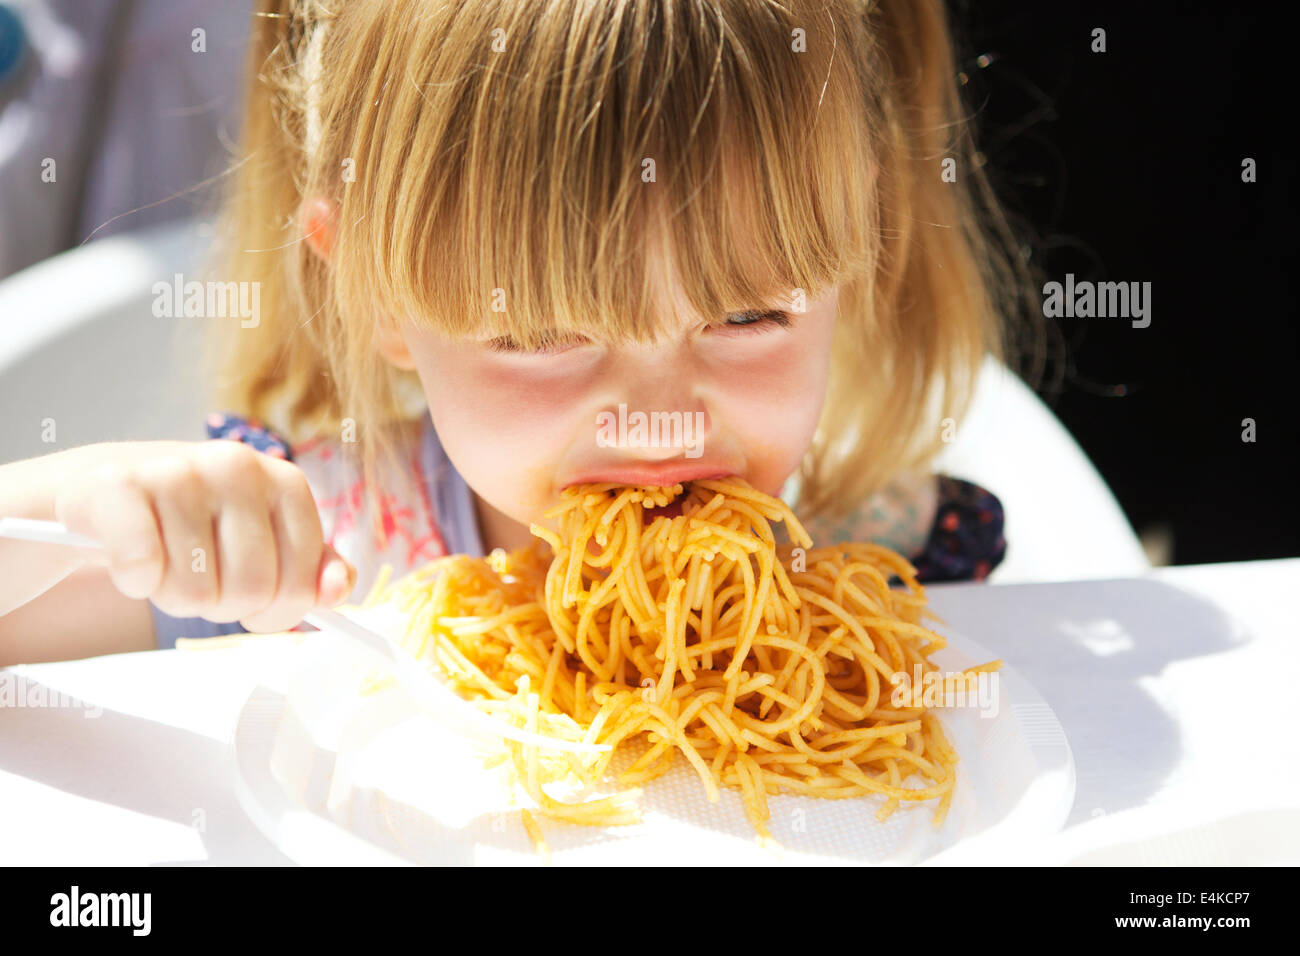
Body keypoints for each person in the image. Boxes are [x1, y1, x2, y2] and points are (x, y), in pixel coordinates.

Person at [0, 0, 1034, 665]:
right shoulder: (310, 556)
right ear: (380, 294)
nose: (657, 420)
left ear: (855, 239)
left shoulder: (876, 561)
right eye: (542, 332)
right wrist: (81, 503)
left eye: (748, 315)